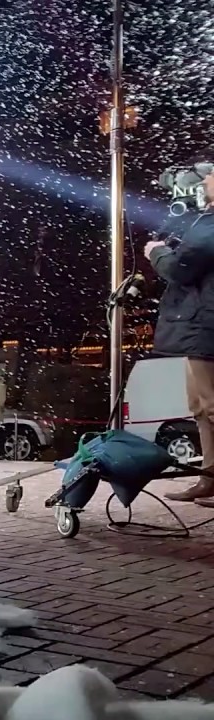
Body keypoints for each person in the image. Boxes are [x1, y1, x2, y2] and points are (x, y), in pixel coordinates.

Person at [146, 153, 214, 503]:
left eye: (205, 179)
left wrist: (157, 253)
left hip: (208, 326)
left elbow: (182, 269)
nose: (201, 185)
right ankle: (209, 479)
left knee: (212, 405)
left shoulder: (211, 223)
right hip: (199, 327)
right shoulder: (203, 221)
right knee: (201, 407)